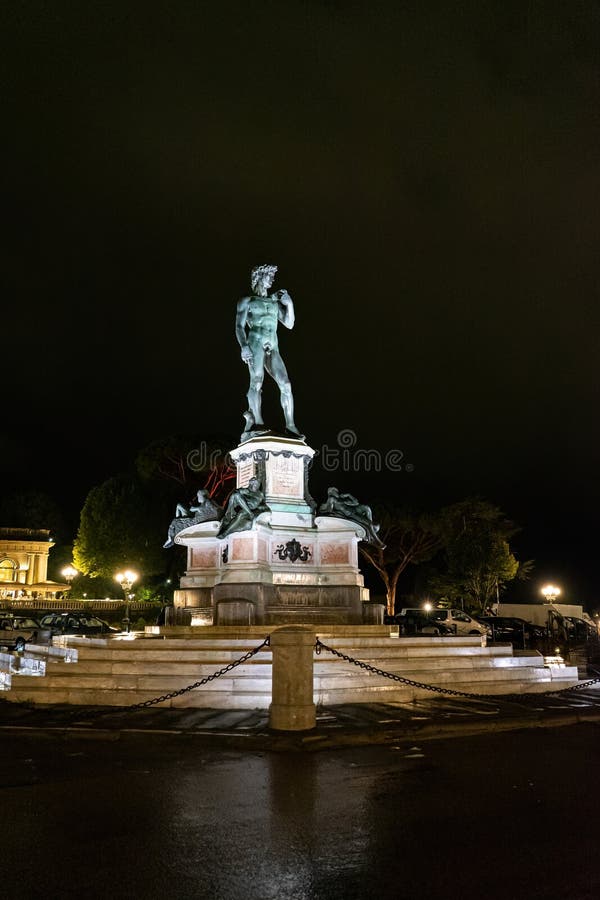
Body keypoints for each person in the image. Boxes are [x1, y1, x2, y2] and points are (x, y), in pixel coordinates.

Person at [236, 264, 303, 441]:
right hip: (255, 343)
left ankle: (291, 426)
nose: (272, 280)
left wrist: (290, 305)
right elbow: (239, 326)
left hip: (273, 345)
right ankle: (256, 421)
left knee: (286, 383)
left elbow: (289, 324)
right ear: (259, 277)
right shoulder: (247, 301)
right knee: (257, 380)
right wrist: (243, 346)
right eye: (269, 276)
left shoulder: (274, 302)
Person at [319, 487, 385, 548]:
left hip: (355, 509)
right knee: (369, 524)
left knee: (366, 508)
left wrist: (349, 495)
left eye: (336, 491)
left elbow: (356, 502)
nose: (337, 492)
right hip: (350, 514)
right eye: (334, 491)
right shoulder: (331, 499)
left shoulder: (341, 499)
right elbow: (329, 509)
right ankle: (377, 541)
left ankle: (370, 532)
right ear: (331, 492)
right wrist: (323, 509)